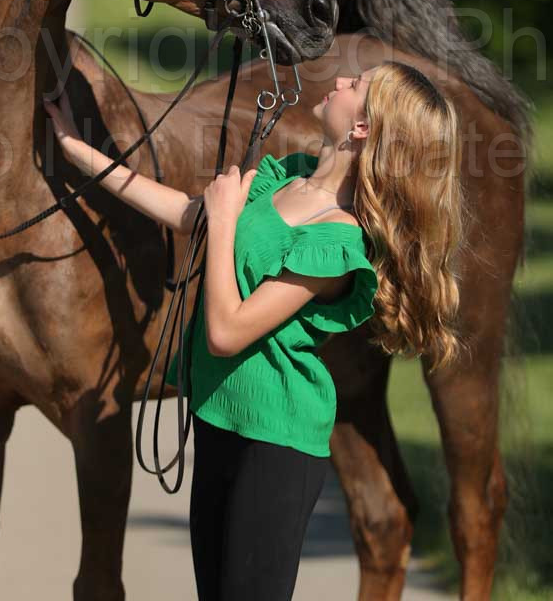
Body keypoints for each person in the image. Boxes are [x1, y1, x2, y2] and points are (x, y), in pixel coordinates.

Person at [43, 59, 465, 601]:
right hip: (220, 420)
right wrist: (77, 149)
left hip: (276, 447)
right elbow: (186, 214)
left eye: (354, 86)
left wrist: (223, 223)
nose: (338, 82)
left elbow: (226, 331)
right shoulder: (285, 176)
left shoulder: (338, 241)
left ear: (363, 128)